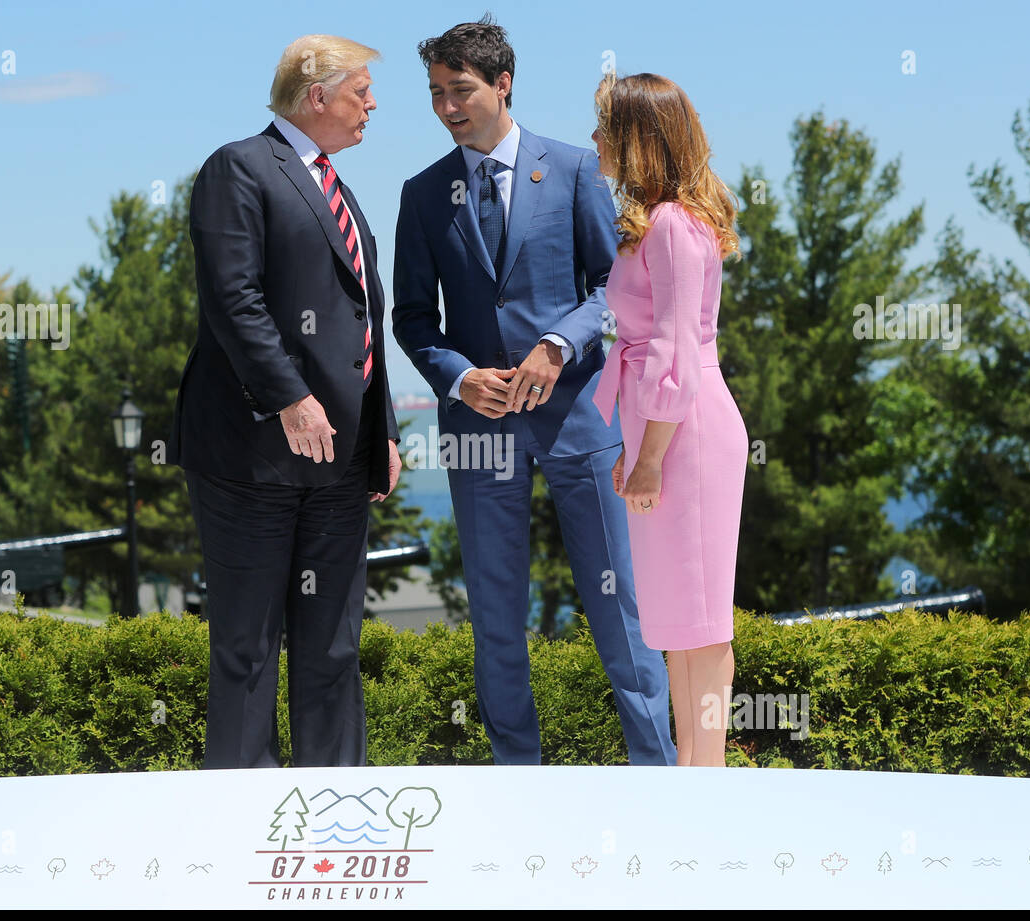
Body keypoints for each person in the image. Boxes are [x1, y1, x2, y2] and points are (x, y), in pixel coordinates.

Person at [393, 16, 676, 766]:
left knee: (618, 605)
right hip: (479, 432)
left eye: (460, 91)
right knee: (495, 616)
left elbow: (615, 286)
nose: (447, 107)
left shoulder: (579, 169)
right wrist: (457, 374)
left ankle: (660, 772)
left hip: (580, 420)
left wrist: (559, 344)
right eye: (435, 94)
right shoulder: (421, 196)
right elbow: (413, 318)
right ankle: (518, 779)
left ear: (503, 83)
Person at [166, 34, 401, 768]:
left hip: (341, 462)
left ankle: (338, 804)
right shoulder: (239, 167)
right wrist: (290, 398)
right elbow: (233, 299)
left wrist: (383, 430)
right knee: (247, 645)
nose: (373, 104)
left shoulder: (338, 186)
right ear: (317, 95)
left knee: (333, 645)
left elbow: (362, 315)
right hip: (253, 457)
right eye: (361, 90)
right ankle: (238, 827)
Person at [590, 72, 748, 767]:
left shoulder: (674, 227)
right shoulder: (661, 223)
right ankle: (694, 773)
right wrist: (638, 449)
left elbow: (676, 349)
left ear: (637, 140)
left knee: (704, 620)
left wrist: (648, 455)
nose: (594, 138)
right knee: (679, 617)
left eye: (605, 127)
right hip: (663, 432)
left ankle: (704, 773)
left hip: (688, 436)